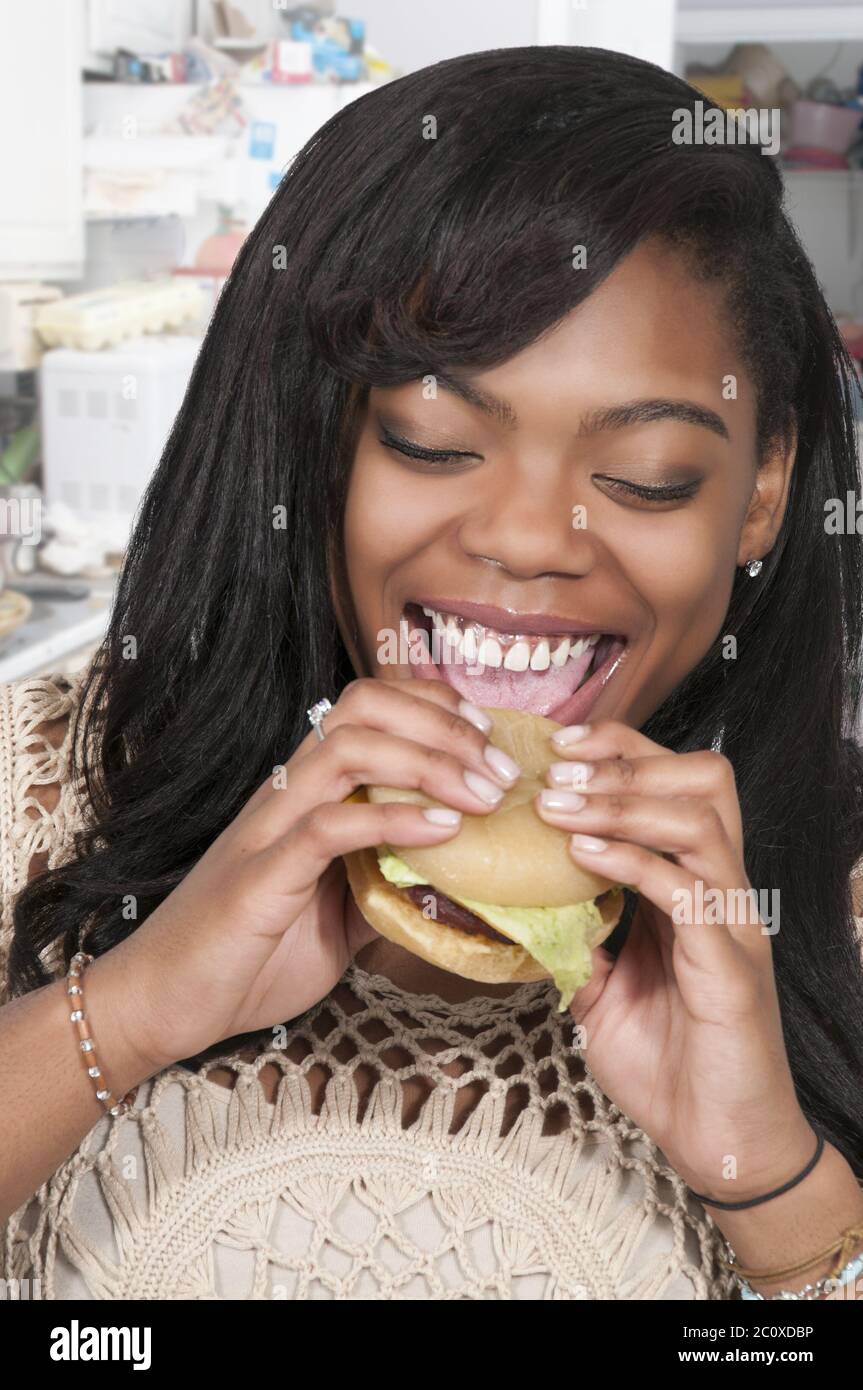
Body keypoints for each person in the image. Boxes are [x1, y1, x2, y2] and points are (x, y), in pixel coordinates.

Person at [2, 45, 863, 1302]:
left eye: (645, 478)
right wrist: (127, 1012)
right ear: (320, 449)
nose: (525, 538)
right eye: (432, 441)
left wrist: (767, 1173)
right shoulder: (30, 784)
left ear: (759, 495)